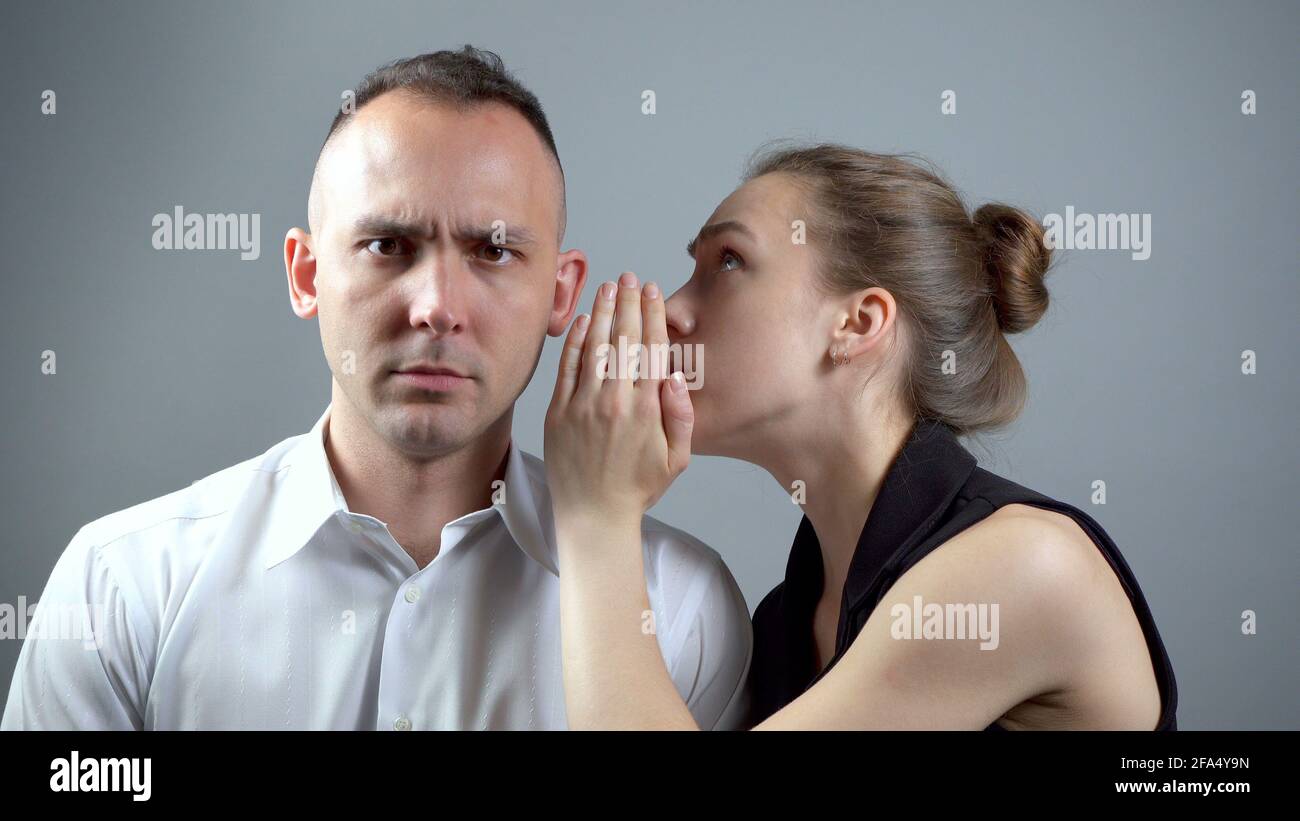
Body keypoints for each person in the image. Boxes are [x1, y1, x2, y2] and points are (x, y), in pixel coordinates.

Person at [1, 47, 752, 731]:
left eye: (493, 250)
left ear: (562, 295)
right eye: (387, 245)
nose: (436, 307)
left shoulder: (683, 609)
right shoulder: (119, 585)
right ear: (307, 275)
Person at [543, 144, 1178, 730]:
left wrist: (596, 518)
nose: (673, 312)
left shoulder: (1022, 568)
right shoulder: (784, 622)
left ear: (857, 322)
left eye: (728, 261)